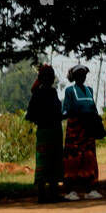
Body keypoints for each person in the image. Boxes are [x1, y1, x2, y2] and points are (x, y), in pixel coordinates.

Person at [61, 64, 102, 200]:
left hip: (88, 130)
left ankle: (90, 189)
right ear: (74, 77)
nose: (82, 77)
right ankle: (70, 191)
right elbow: (66, 110)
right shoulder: (69, 91)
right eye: (79, 75)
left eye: (84, 75)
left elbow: (93, 108)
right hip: (75, 131)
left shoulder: (89, 90)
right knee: (73, 159)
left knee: (89, 158)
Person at [25, 63, 64, 203]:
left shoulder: (40, 93)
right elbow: (57, 112)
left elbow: (30, 115)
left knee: (45, 163)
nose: (51, 78)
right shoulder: (47, 93)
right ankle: (49, 194)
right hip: (51, 130)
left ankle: (45, 195)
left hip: (45, 131)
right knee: (51, 161)